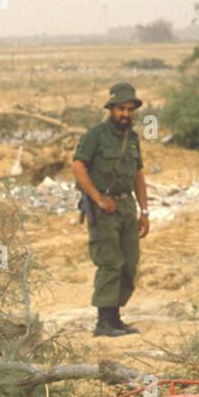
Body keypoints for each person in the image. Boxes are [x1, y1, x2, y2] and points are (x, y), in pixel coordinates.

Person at [71, 82, 151, 337]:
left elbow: (138, 174)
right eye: (120, 109)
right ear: (111, 109)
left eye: (129, 109)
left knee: (129, 262)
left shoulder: (133, 139)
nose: (125, 114)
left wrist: (145, 211)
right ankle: (103, 322)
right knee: (109, 262)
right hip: (104, 209)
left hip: (126, 206)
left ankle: (115, 319)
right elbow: (78, 167)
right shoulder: (96, 135)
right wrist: (98, 199)